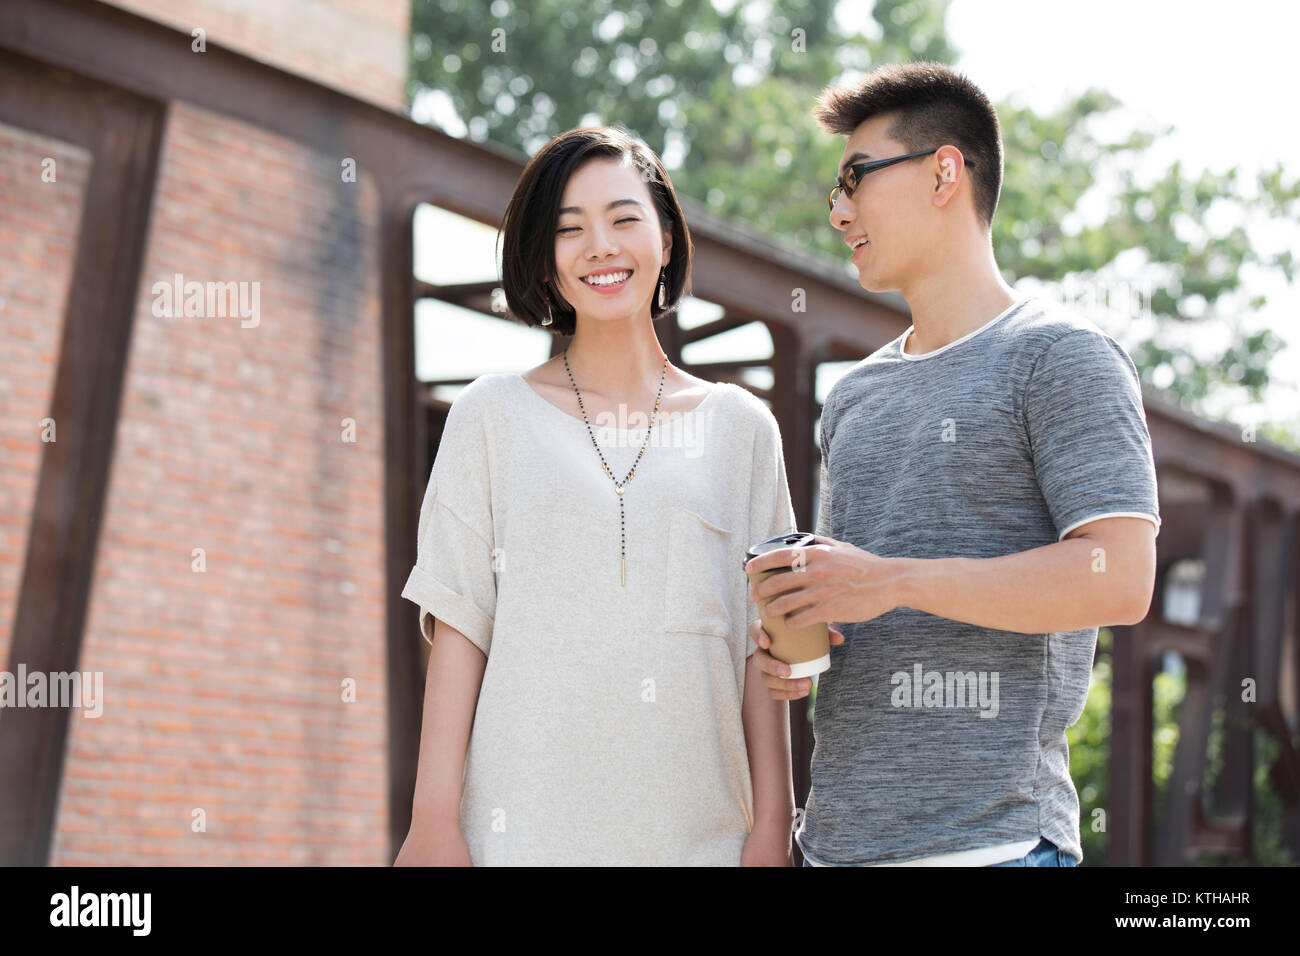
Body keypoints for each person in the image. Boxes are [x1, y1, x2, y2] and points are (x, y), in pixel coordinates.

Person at [745, 62, 1161, 867]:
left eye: (856, 179)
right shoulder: (857, 393)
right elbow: (857, 597)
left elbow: (1122, 578)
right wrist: (801, 633)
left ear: (944, 171)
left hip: (993, 846)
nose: (838, 211)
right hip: (831, 848)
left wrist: (891, 580)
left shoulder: (1062, 357)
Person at [394, 127, 798, 865]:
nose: (599, 246)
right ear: (544, 261)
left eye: (623, 218)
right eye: (568, 229)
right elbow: (459, 629)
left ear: (667, 238)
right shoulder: (489, 416)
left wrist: (773, 826)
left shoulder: (742, 430)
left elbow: (758, 648)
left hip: (702, 842)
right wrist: (432, 823)